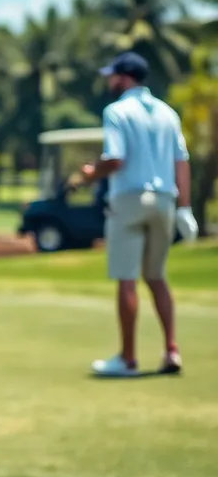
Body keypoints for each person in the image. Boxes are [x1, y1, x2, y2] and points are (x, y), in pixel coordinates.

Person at [77, 52, 197, 377]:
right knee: (156, 277)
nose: (109, 82)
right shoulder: (167, 112)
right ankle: (171, 350)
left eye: (112, 76)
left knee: (126, 279)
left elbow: (115, 159)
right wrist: (185, 207)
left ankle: (128, 358)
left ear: (124, 78)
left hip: (129, 199)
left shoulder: (115, 111)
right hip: (164, 201)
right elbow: (181, 162)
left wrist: (90, 173)